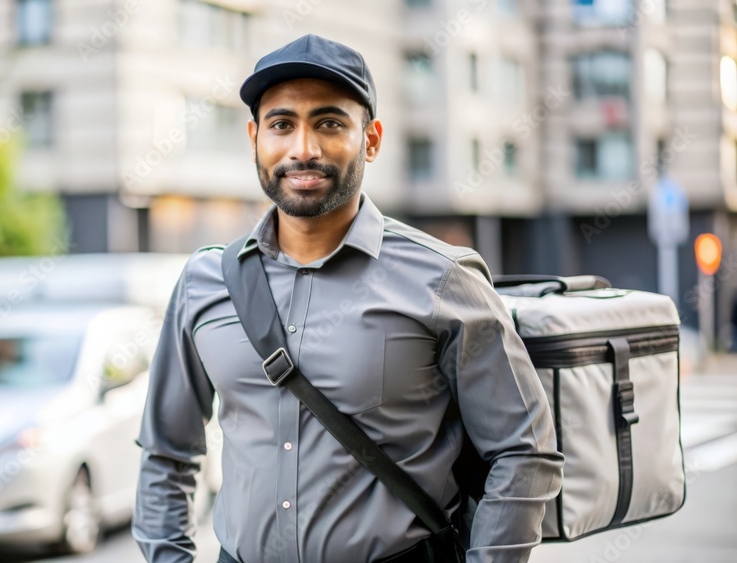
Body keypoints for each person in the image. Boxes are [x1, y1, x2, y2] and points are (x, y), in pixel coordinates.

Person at [132, 34, 564, 563]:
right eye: (282, 124)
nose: (303, 149)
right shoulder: (205, 282)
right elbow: (166, 453)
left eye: (330, 123)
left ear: (372, 139)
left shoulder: (444, 279)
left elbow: (525, 451)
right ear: (254, 138)